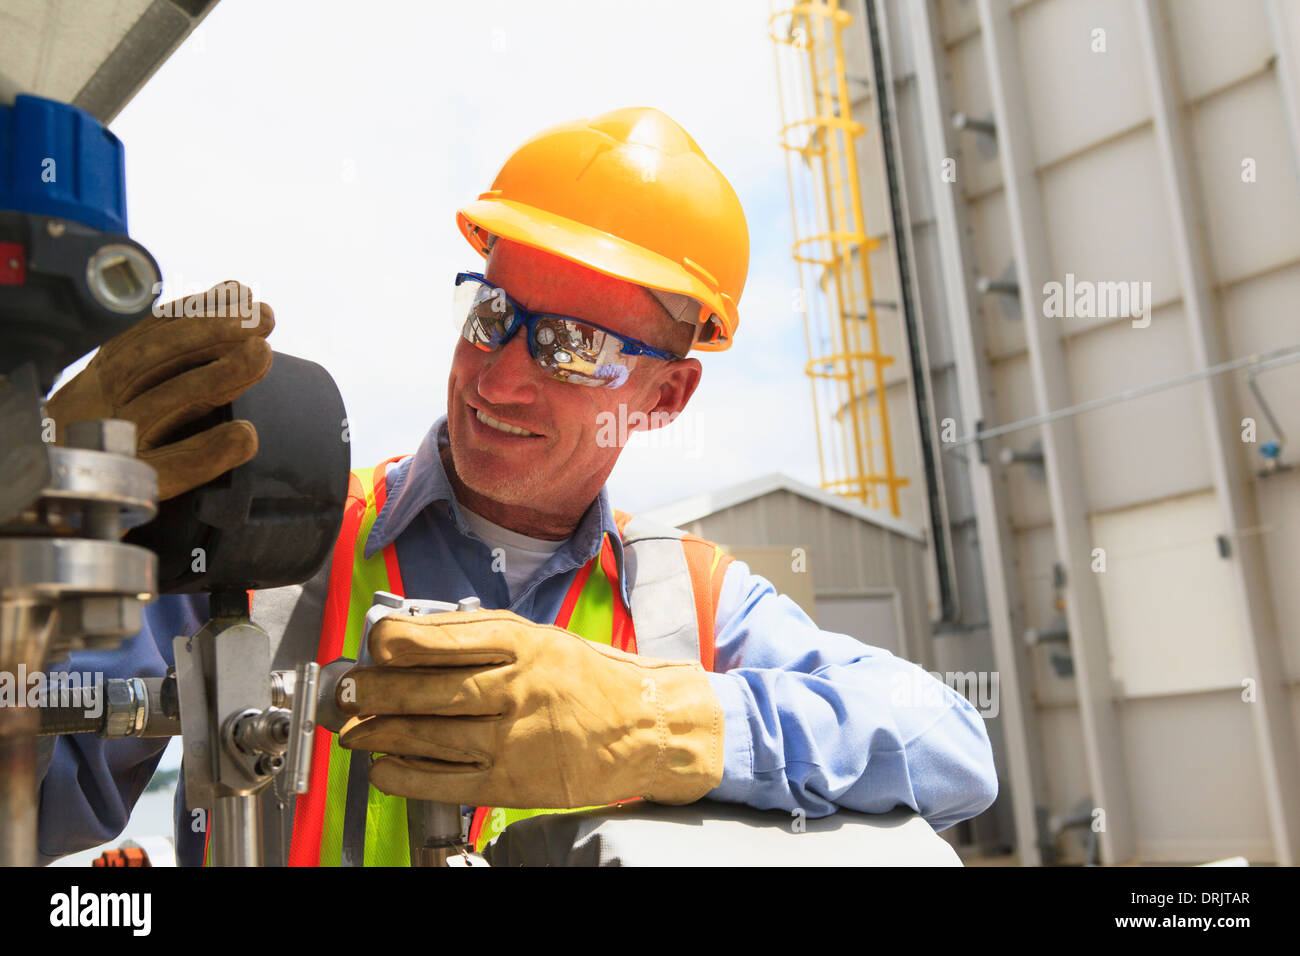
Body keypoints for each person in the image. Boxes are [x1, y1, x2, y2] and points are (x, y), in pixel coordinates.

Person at [37, 107, 997, 866]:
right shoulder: (273, 552)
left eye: (573, 347)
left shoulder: (686, 603)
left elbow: (949, 746)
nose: (495, 378)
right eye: (492, 311)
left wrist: (658, 723)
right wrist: (40, 524)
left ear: (667, 393)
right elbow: (26, 802)